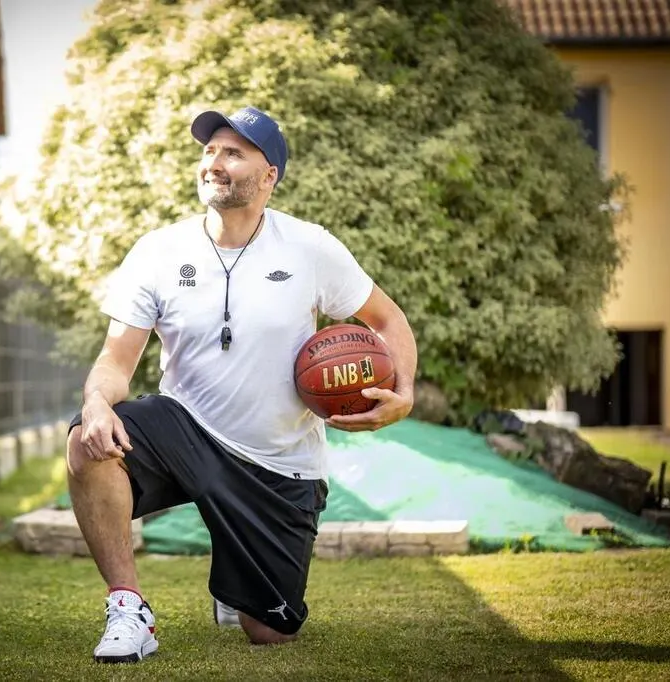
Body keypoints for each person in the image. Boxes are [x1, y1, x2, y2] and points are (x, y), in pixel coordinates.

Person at [66, 105, 417, 664]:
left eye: (233, 152)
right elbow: (116, 358)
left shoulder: (310, 247)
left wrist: (404, 394)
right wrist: (95, 403)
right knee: (89, 439)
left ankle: (240, 586)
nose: (215, 162)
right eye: (209, 151)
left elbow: (388, 321)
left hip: (279, 463)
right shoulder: (158, 252)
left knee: (270, 632)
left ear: (269, 174)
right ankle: (129, 606)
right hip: (185, 429)